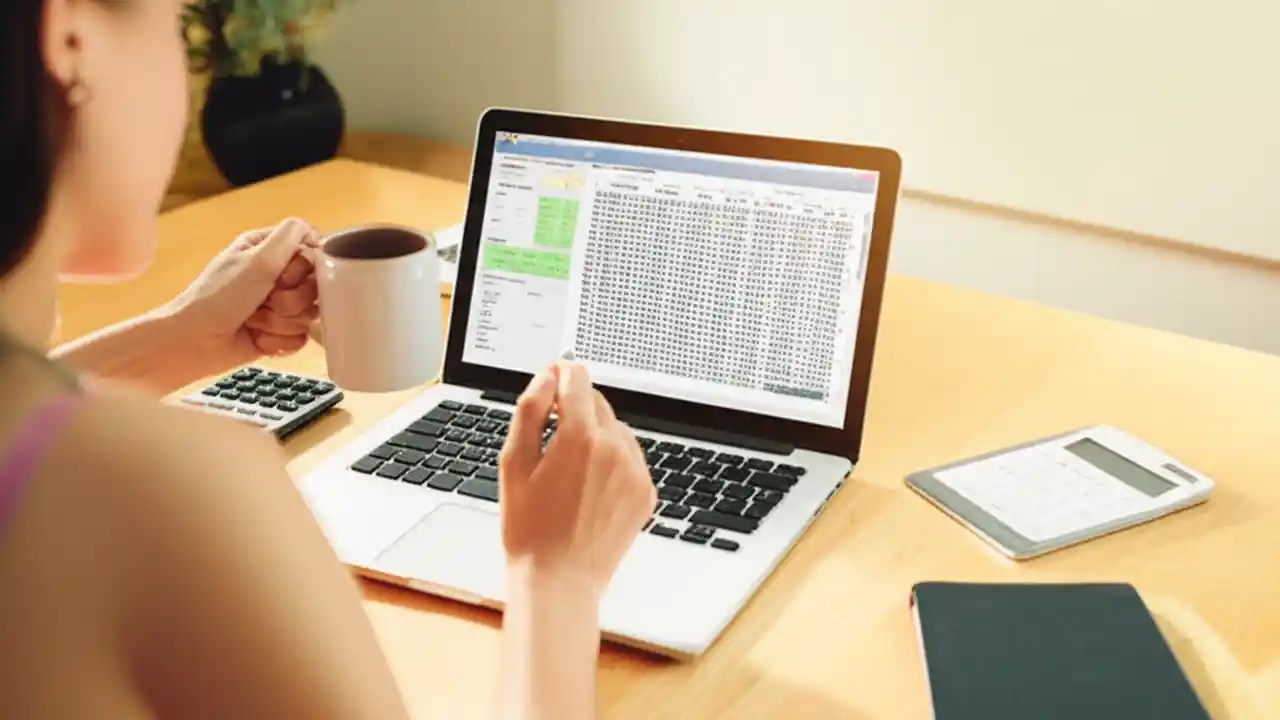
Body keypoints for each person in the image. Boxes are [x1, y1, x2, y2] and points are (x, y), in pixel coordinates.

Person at [0, 1, 656, 718]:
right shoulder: (172, 490)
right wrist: (556, 580)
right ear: (70, 36)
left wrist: (181, 336)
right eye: (174, 22)